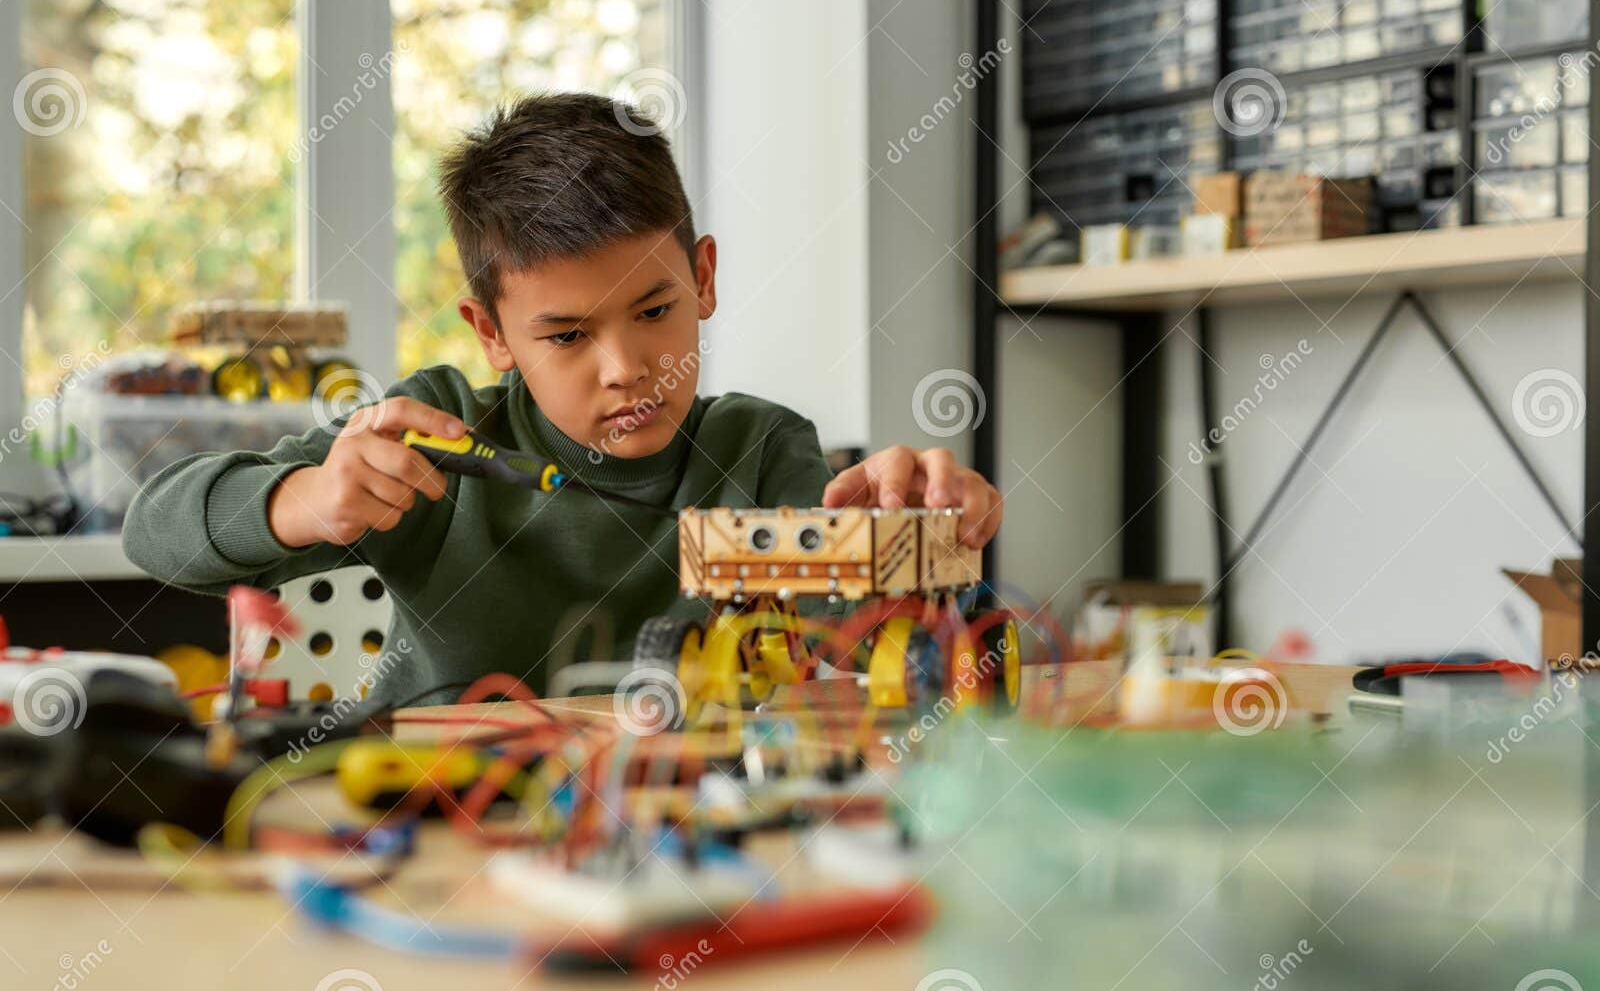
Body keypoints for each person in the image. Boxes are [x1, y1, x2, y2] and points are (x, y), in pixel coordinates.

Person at [123, 91, 1003, 706]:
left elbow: (863, 645)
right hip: (445, 826)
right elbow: (154, 528)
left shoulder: (761, 449)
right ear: (492, 334)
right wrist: (306, 499)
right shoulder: (439, 437)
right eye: (567, 336)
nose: (624, 367)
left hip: (681, 837)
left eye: (654, 310)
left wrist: (921, 541)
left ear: (702, 277)